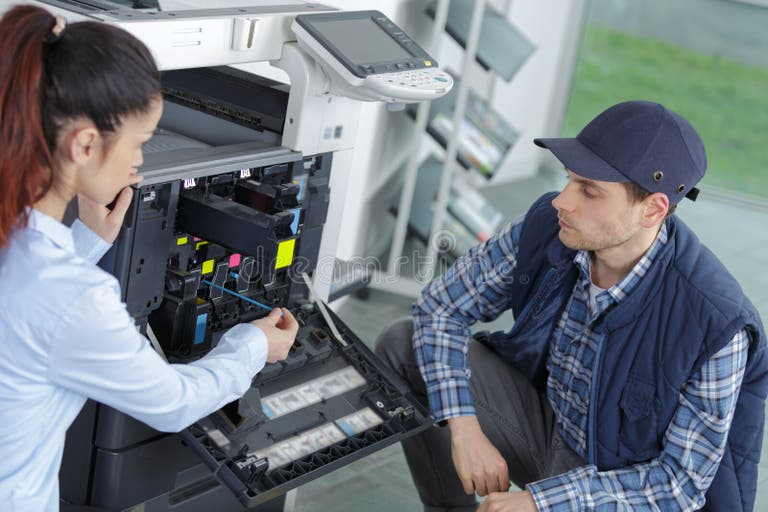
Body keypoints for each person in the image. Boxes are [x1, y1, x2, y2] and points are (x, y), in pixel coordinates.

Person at [376, 100, 768, 511]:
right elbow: (440, 308)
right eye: (569, 180)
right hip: (551, 427)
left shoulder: (716, 323)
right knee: (402, 344)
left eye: (589, 191)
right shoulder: (552, 226)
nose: (563, 200)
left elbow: (678, 485)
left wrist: (540, 503)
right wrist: (464, 427)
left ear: (653, 208)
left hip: (624, 490)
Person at [0, 6, 299, 511]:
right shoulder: (74, 296)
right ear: (85, 144)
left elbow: (26, 312)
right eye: (139, 142)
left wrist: (88, 241)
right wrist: (252, 343)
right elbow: (173, 403)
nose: (141, 160)